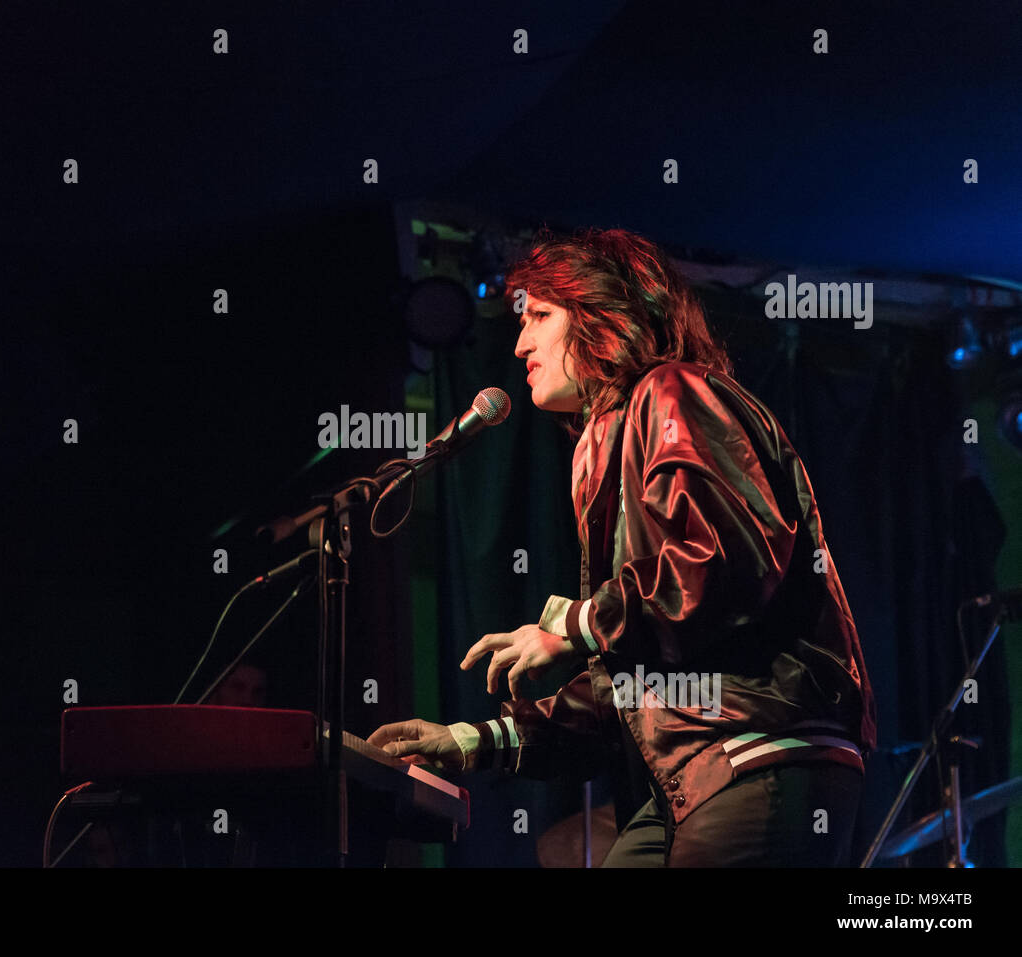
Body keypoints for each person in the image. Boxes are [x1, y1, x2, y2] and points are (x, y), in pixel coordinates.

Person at [368, 227, 877, 866]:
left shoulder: (672, 391)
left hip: (755, 752)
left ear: (602, 316)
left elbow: (722, 561)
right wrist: (475, 738)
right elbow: (639, 683)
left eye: (541, 316)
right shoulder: (609, 443)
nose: (520, 341)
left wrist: (576, 625)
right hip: (689, 780)